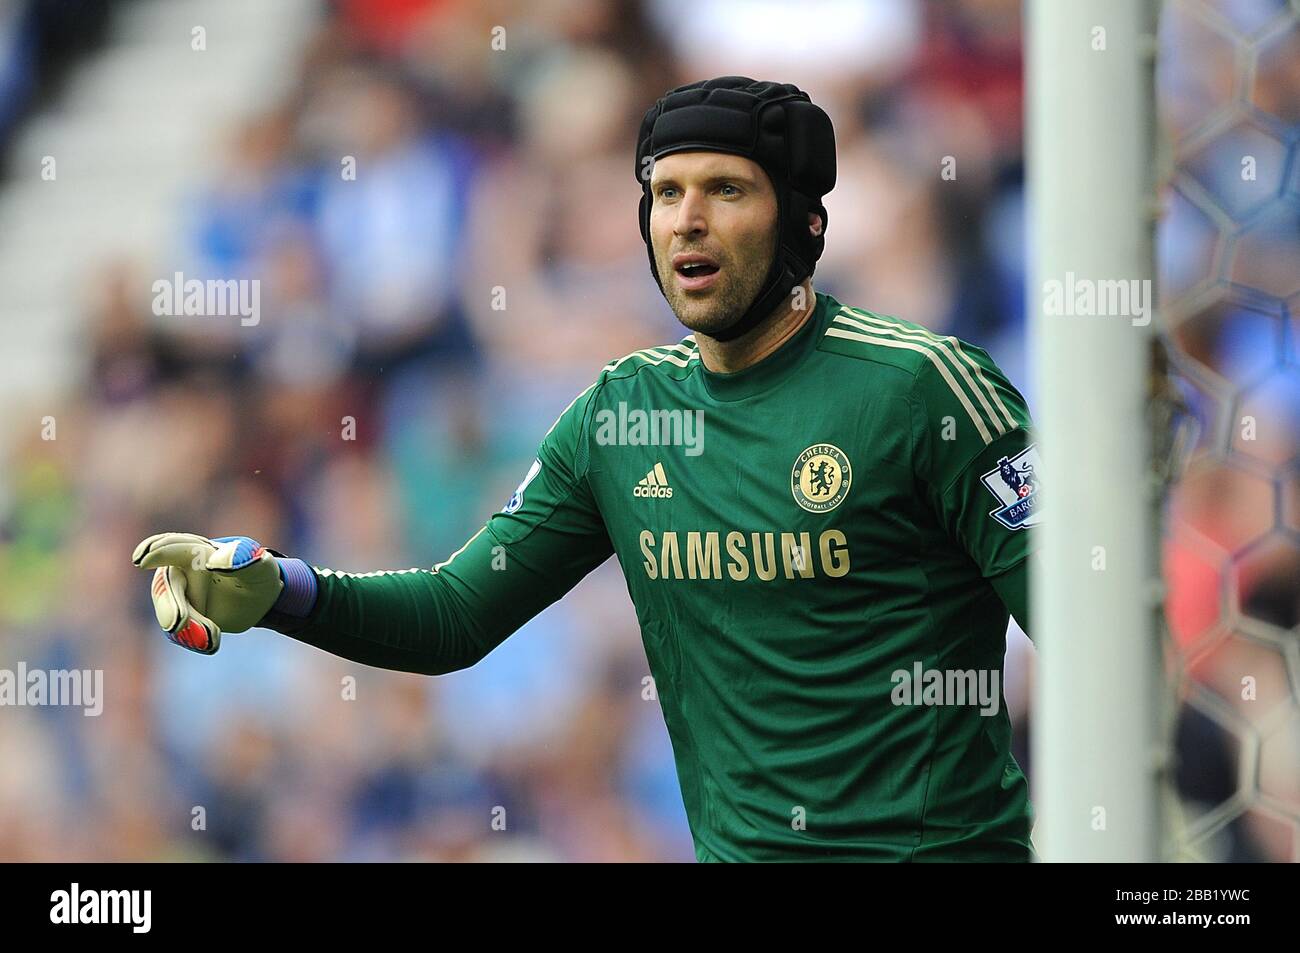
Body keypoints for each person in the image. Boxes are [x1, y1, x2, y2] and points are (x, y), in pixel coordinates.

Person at [133, 76, 1040, 862]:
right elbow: (454, 614)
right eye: (665, 191)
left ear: (805, 220)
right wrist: (288, 592)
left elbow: (1093, 637)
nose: (686, 218)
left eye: (726, 189)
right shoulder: (622, 415)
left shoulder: (925, 388)